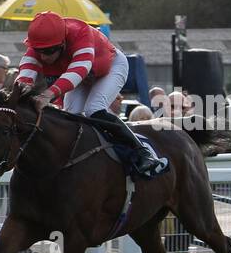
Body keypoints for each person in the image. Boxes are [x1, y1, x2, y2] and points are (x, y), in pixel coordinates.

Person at [15, 11, 165, 178]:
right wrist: (19, 93)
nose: (43, 56)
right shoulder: (40, 44)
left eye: (49, 51)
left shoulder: (81, 33)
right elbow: (25, 77)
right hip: (84, 75)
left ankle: (143, 152)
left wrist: (48, 94)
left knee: (94, 108)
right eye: (38, 51)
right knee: (70, 117)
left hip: (111, 66)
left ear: (62, 43)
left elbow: (80, 69)